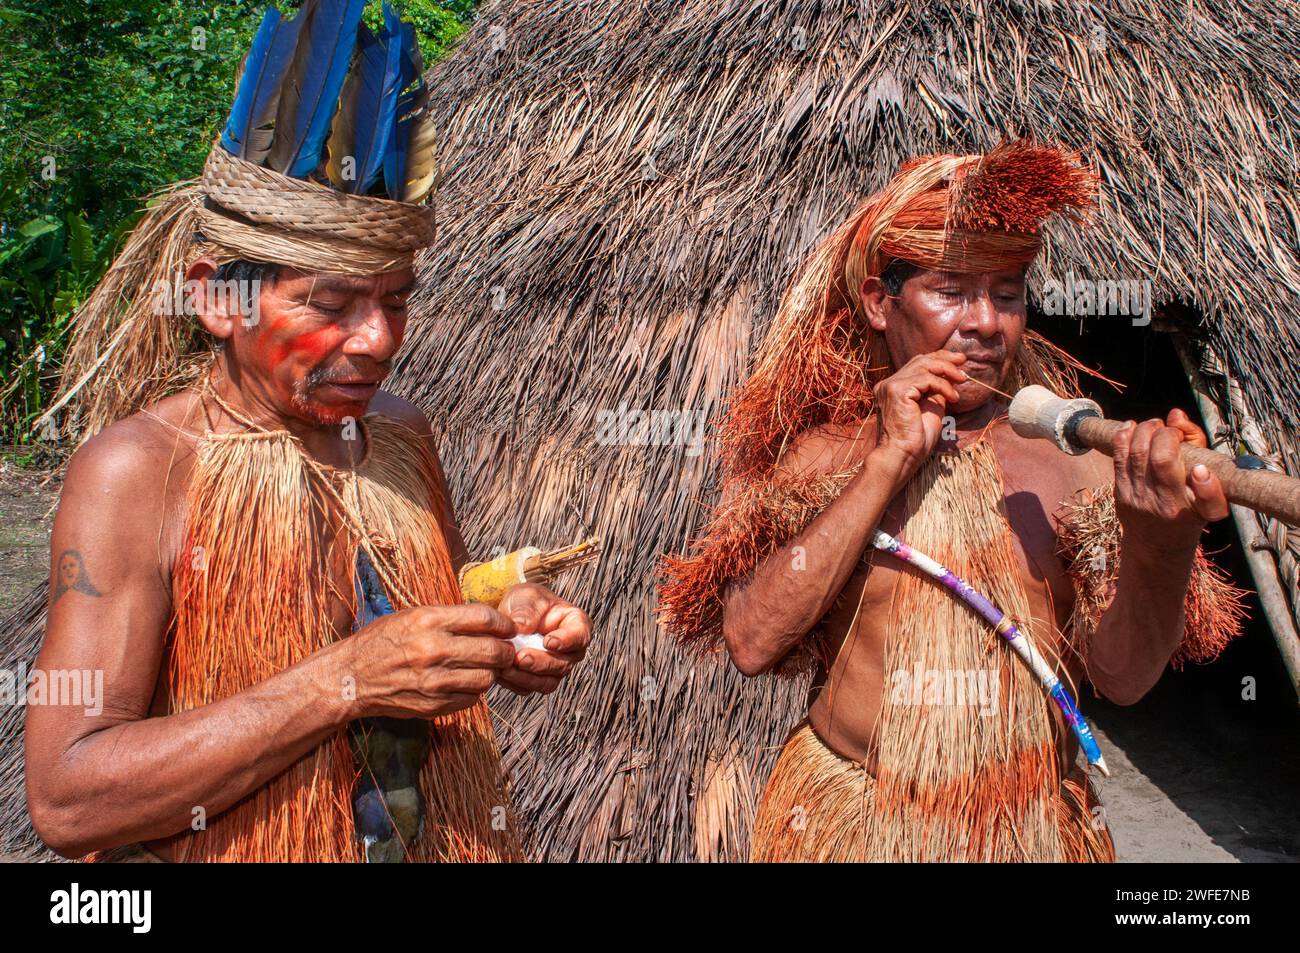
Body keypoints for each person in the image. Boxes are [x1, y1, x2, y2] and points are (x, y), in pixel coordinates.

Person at [24, 0, 590, 863]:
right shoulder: (138, 473)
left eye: (396, 299)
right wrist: (347, 680)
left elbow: (427, 595)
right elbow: (69, 799)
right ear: (218, 297)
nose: (379, 339)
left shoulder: (397, 434)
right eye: (331, 303)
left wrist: (502, 620)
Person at [658, 141, 1245, 862]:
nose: (984, 323)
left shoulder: (1073, 462)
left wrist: (1163, 539)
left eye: (1006, 295)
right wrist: (887, 464)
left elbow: (1122, 678)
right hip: (856, 825)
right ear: (880, 302)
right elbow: (751, 640)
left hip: (1029, 831)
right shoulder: (822, 457)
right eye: (951, 291)